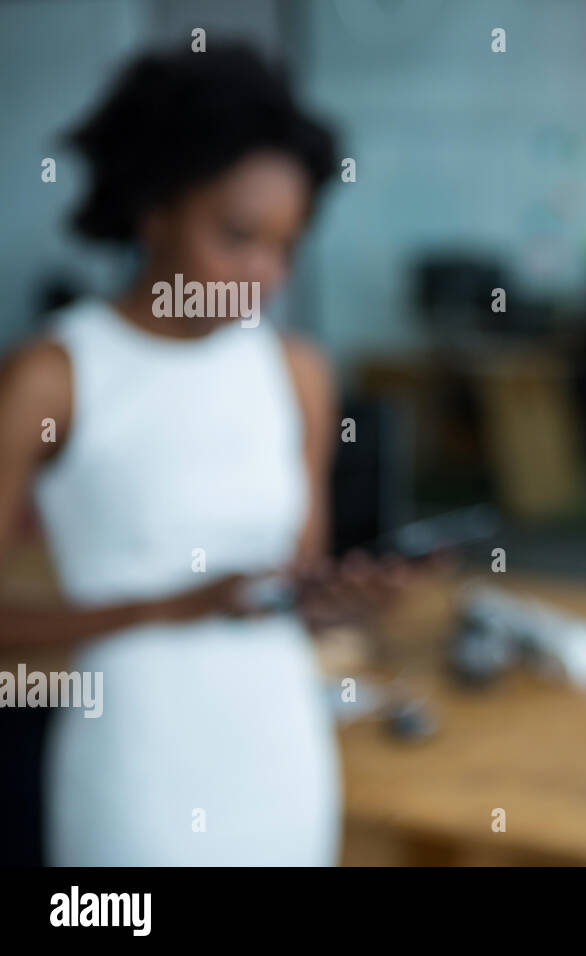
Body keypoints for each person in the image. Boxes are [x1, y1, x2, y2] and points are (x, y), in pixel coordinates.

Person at [0, 44, 407, 865]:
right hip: (139, 774)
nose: (262, 275)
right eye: (237, 237)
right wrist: (170, 608)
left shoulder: (297, 373)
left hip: (281, 755)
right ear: (154, 210)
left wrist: (343, 597)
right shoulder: (56, 377)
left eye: (285, 248)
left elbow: (293, 585)